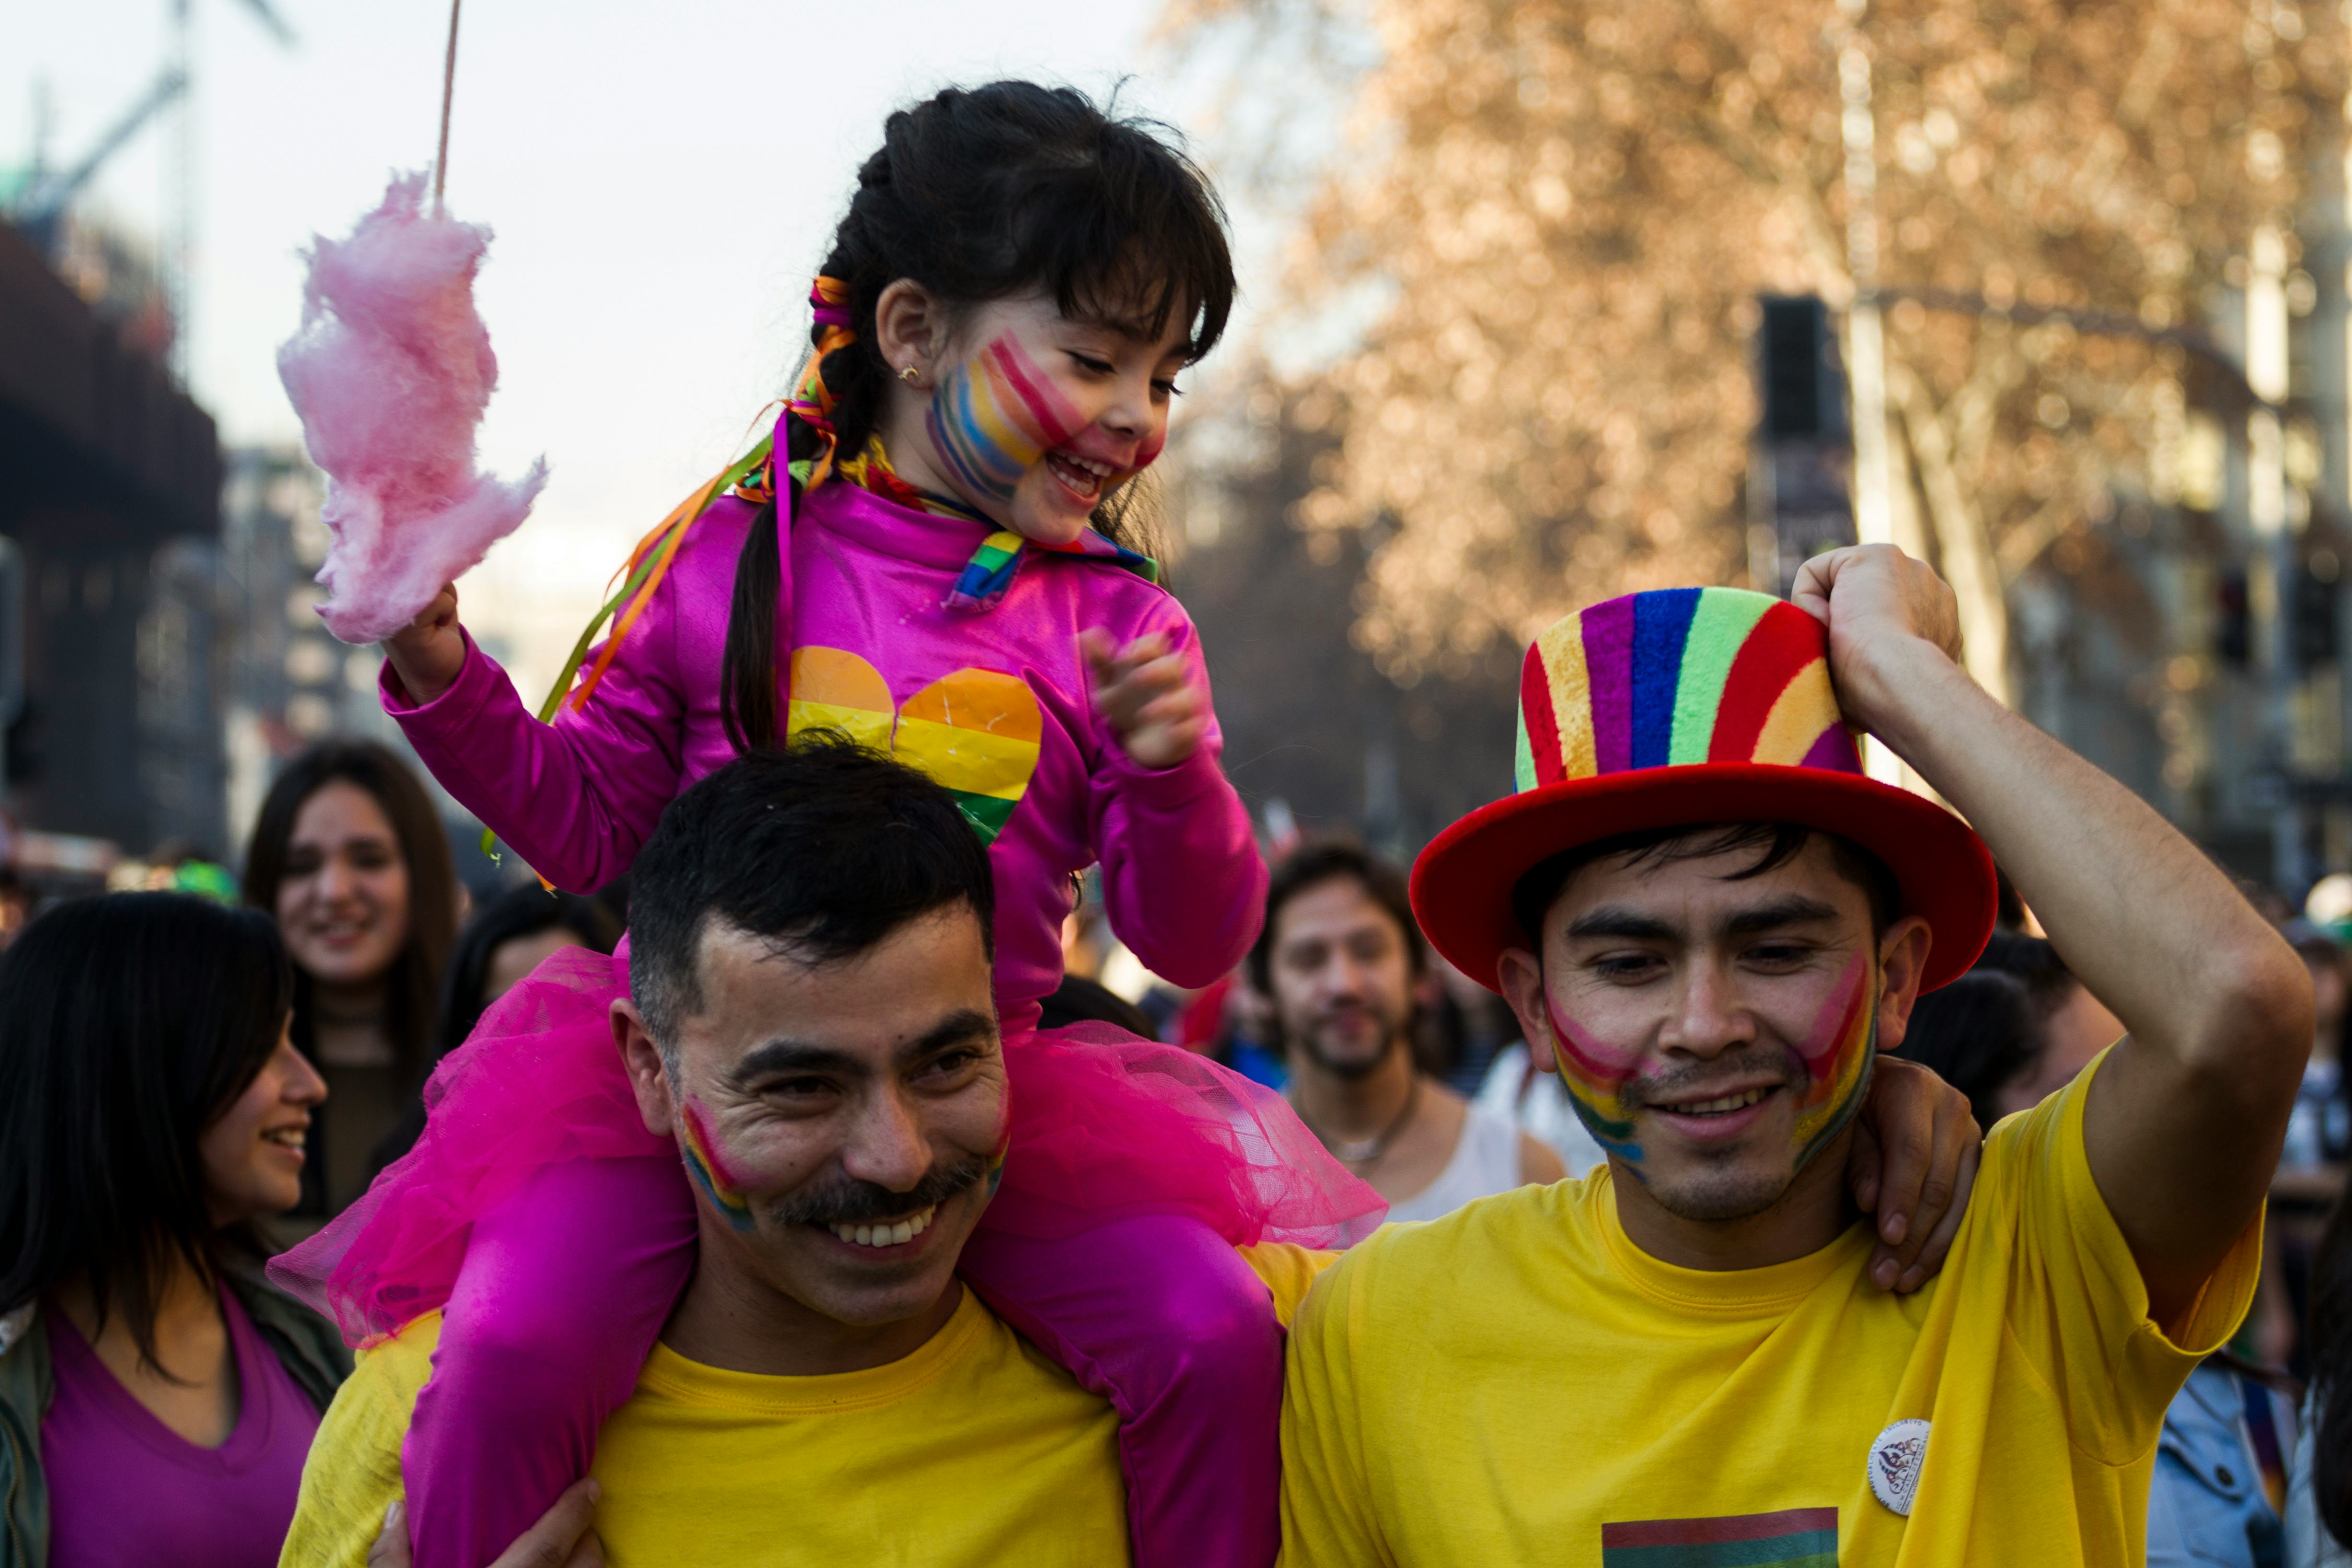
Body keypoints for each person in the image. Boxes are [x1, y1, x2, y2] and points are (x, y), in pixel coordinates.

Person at [271, 82, 1379, 1568]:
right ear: (913, 333)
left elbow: (1189, 939)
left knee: (1208, 1333)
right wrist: (435, 668)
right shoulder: (729, 558)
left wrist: (1177, 771)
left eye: (1165, 377)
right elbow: (595, 835)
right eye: (1094, 356)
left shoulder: (1125, 624)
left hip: (1001, 1088)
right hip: (715, 1096)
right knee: (517, 1341)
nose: (1136, 417)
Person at [1280, 556, 2308, 1564]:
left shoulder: (2041, 1256)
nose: (1704, 1021)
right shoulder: (1376, 1331)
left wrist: (1900, 675)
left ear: (1897, 977)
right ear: (1533, 1006)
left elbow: (2235, 1008)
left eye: (1774, 950)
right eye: (1631, 963)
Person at [282, 743, 1335, 1566]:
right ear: (649, 1070)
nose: (894, 1155)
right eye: (799, 1086)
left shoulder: (1293, 1352)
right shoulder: (415, 1430)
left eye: (946, 1063)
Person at [0, 893, 350, 1568]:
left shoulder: (318, 1332)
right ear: (132, 1070)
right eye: (258, 1048)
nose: (309, 1083)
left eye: (292, 1039)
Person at [1255, 839, 1566, 1221]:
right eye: (1309, 959)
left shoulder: (1520, 1169)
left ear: (1420, 975)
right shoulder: (1230, 1166)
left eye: (1369, 951)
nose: (1343, 984)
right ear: (1266, 987)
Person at [242, 740, 461, 1215]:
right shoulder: (219, 1079)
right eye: (302, 866)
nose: (334, 891)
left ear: (420, 877)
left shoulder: (480, 1066)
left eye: (368, 859)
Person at [368, 885, 625, 1177]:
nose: (536, 1042)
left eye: (565, 1010)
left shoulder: (670, 1179)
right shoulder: (417, 1180)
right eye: (503, 1014)